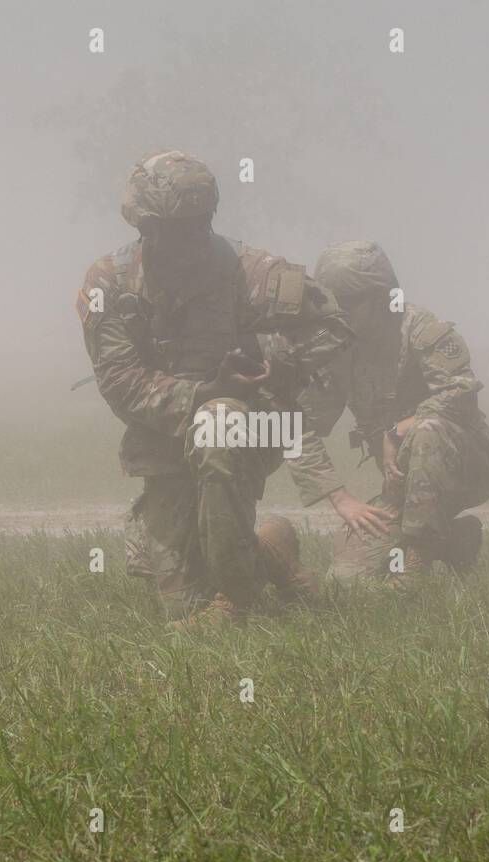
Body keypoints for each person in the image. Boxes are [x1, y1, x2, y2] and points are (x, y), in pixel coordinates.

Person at [78, 150, 355, 624]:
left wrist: (275, 361)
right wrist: (202, 392)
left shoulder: (249, 270)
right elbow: (121, 383)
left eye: (197, 222)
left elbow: (331, 326)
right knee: (179, 601)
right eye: (172, 226)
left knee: (219, 423)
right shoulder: (111, 282)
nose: (187, 237)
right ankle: (270, 550)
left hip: (244, 429)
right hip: (165, 440)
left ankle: (235, 601)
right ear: (144, 224)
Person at [285, 240, 489, 585]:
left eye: (345, 303)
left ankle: (415, 561)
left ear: (379, 297)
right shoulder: (338, 348)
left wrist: (397, 430)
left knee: (428, 428)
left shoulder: (421, 330)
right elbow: (296, 426)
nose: (335, 311)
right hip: (404, 486)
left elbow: (460, 392)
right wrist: (339, 497)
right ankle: (452, 541)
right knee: (344, 581)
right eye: (329, 302)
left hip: (470, 468)